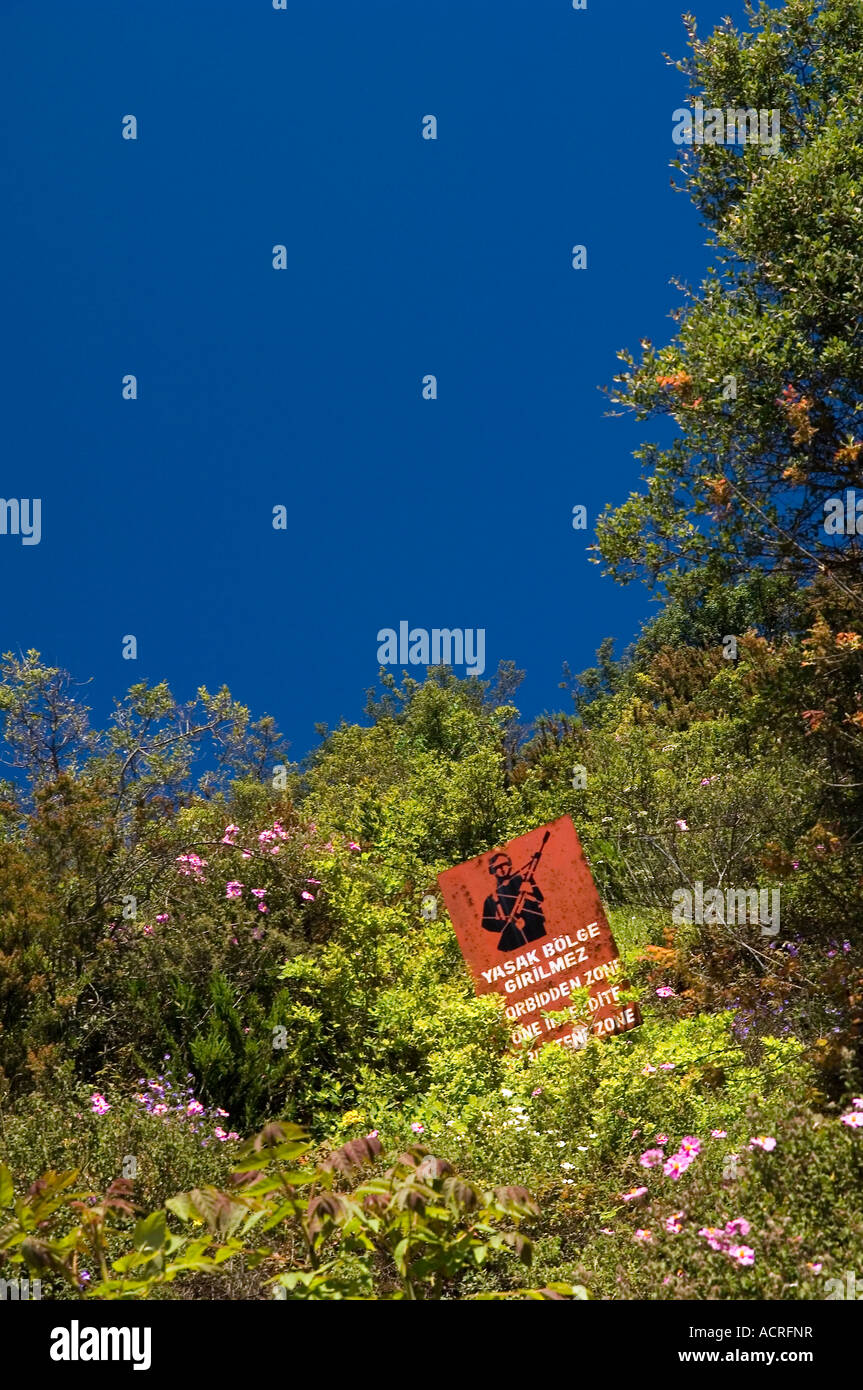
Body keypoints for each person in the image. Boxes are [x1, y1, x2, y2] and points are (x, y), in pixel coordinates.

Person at [481, 851, 546, 953]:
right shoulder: (492, 897)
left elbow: (539, 899)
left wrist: (530, 884)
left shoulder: (524, 879)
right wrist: (506, 924)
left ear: (510, 865)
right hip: (514, 940)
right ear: (492, 871)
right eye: (497, 867)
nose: (502, 869)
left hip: (536, 929)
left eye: (504, 865)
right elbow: (486, 923)